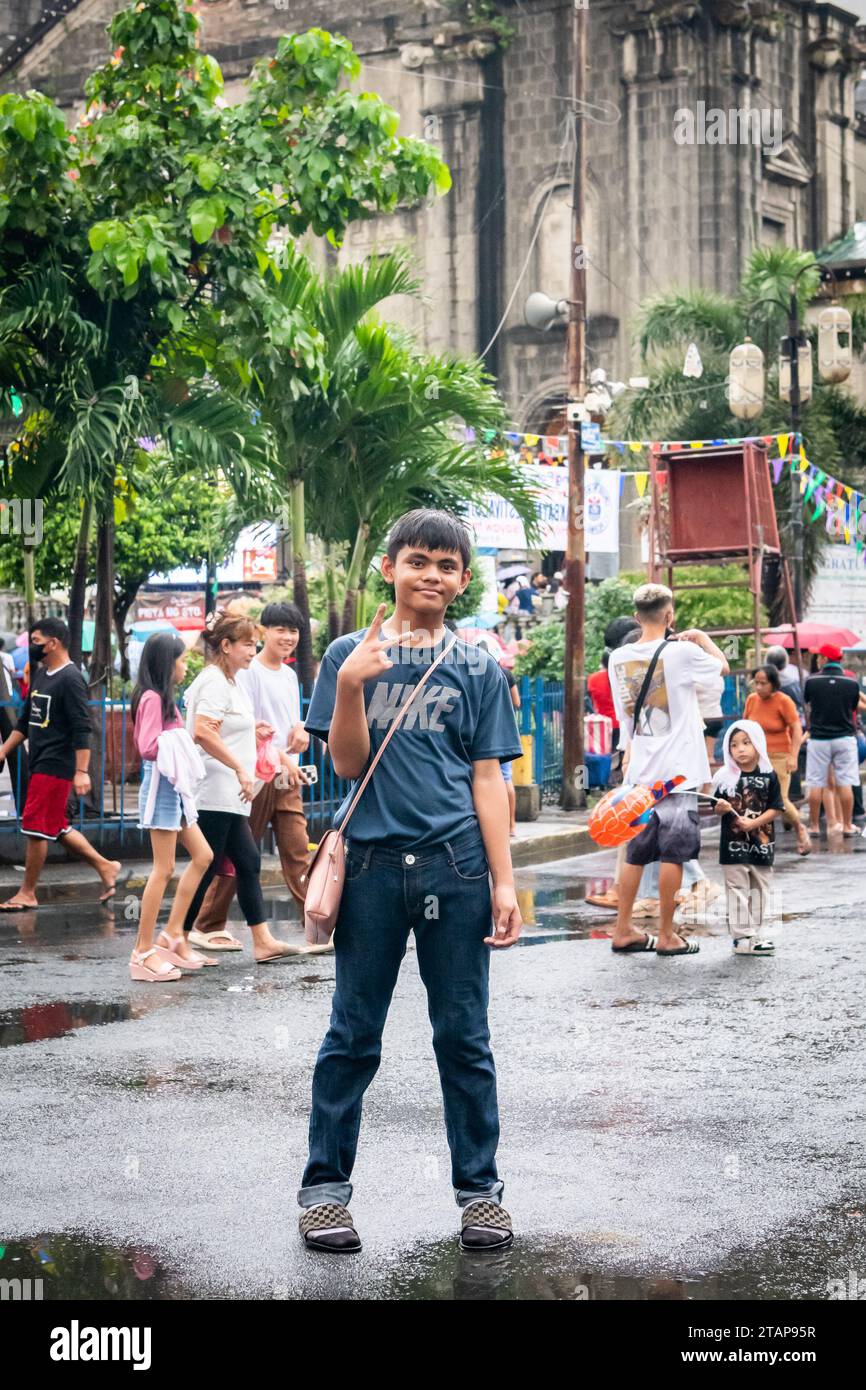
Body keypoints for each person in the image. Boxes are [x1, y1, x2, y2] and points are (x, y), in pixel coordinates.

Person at [297, 508, 523, 1255]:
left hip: (456, 866)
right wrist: (356, 688)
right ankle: (325, 1192)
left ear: (462, 581)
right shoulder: (344, 655)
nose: (431, 574)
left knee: (463, 1037)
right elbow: (349, 767)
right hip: (368, 868)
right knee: (352, 1034)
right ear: (389, 568)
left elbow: (489, 780)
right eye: (418, 559)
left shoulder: (478, 666)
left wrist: (503, 880)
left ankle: (481, 1194)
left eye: (446, 565)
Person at [607, 583, 729, 957]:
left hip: (640, 773)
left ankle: (623, 929)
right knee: (674, 854)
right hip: (677, 773)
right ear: (670, 615)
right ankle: (666, 934)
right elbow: (722, 666)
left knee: (636, 853)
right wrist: (703, 638)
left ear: (636, 616)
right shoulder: (683, 652)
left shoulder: (618, 658)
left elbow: (624, 715)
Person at [190, 602, 314, 944]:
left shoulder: (289, 675)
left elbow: (286, 721)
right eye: (280, 630)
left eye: (293, 631)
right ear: (264, 633)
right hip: (256, 778)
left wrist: (300, 730)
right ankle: (205, 925)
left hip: (286, 776)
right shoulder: (247, 673)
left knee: (297, 849)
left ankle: (316, 924)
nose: (288, 637)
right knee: (238, 857)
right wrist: (278, 757)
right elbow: (242, 729)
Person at [0, 618, 121, 912]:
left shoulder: (71, 679)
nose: (33, 646)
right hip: (40, 760)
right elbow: (27, 719)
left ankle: (28, 892)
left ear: (53, 643)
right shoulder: (42, 675)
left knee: (35, 826)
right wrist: (3, 750)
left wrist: (81, 772)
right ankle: (106, 867)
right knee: (54, 826)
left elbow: (83, 728)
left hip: (57, 764)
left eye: (37, 640)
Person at [129, 632, 216, 982]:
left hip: (175, 790)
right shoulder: (152, 698)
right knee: (162, 869)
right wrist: (181, 739)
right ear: (167, 664)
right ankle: (142, 951)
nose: (184, 666)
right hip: (162, 790)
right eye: (180, 660)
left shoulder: (164, 699)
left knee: (203, 856)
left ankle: (174, 934)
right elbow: (148, 745)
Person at [711, 720, 782, 956]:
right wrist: (720, 807)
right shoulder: (724, 777)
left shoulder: (769, 775)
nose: (740, 749)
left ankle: (755, 933)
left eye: (746, 743)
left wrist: (753, 823)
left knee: (760, 889)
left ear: (758, 744)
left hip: (762, 845)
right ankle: (742, 937)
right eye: (733, 745)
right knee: (737, 889)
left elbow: (776, 808)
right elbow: (716, 808)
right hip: (732, 847)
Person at [744, 664, 811, 855]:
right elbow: (745, 726)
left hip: (780, 756)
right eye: (756, 683)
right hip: (756, 757)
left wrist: (793, 755)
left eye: (763, 683)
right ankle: (760, 840)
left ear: (773, 684)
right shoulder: (751, 700)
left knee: (779, 800)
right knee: (755, 800)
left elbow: (797, 730)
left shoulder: (784, 701)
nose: (758, 687)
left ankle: (799, 827)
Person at [803, 644, 862, 837]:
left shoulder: (811, 681)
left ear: (824, 659)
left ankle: (813, 826)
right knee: (845, 782)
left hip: (819, 738)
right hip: (845, 738)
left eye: (819, 657)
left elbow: (808, 702)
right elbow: (853, 707)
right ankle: (846, 825)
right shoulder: (852, 683)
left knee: (816, 783)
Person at [501, 662, 521, 836]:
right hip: (504, 729)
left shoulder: (471, 670)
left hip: (480, 730)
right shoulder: (506, 674)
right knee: (506, 778)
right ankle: (511, 824)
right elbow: (517, 702)